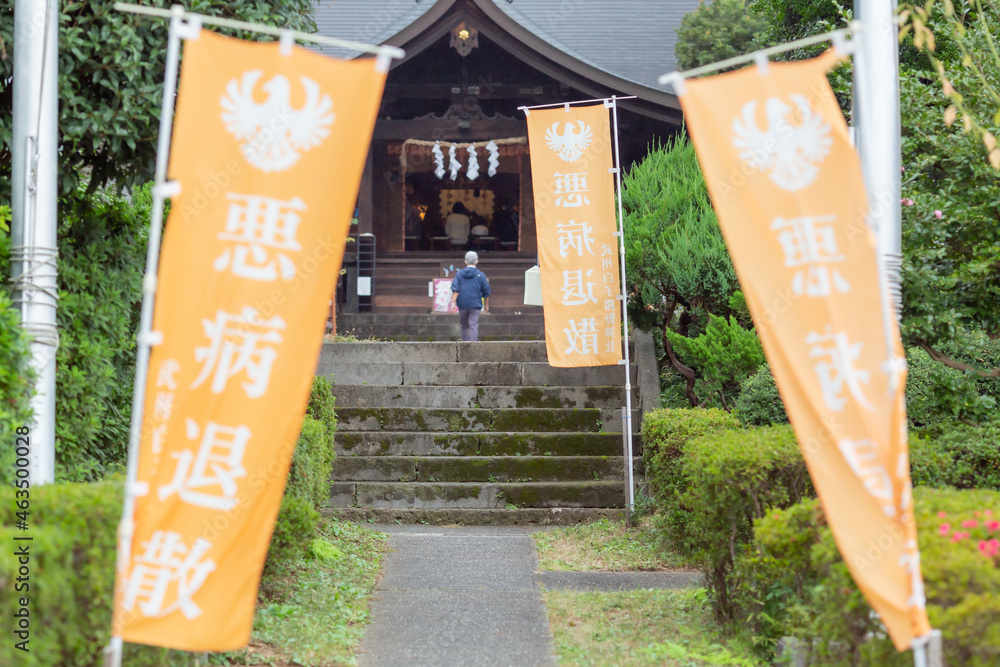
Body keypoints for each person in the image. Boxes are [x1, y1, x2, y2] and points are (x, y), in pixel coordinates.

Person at [451, 250, 490, 342]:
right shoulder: (481, 275)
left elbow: (455, 290)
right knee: (473, 325)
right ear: (477, 261)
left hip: (462, 303)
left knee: (463, 325)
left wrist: (453, 303)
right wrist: (486, 305)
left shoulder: (459, 274)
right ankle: (473, 345)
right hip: (475, 303)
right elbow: (486, 292)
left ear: (465, 261)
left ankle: (464, 344)